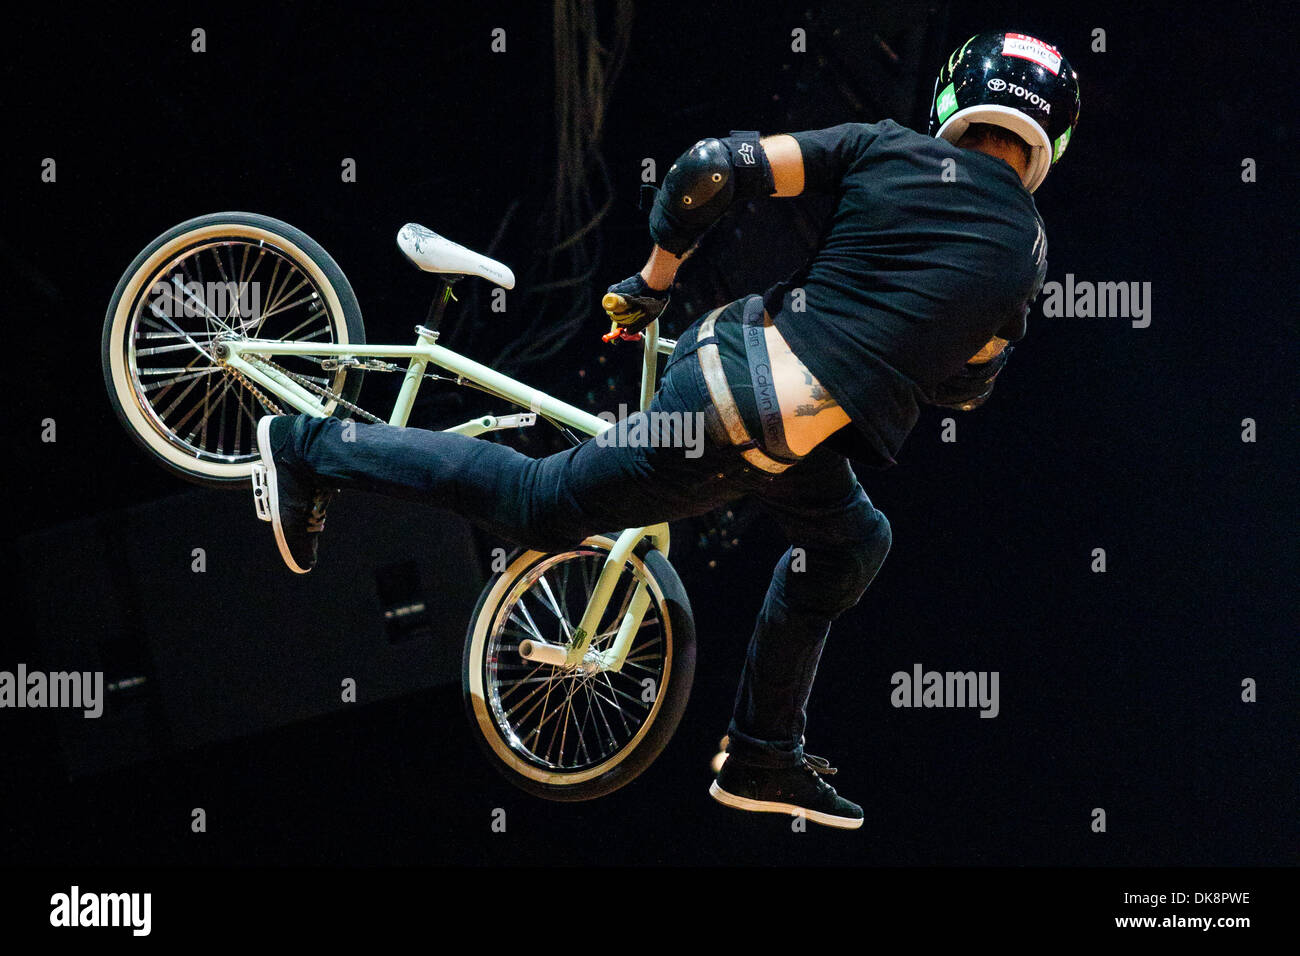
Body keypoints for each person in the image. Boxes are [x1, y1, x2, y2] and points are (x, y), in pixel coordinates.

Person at [251, 31, 1079, 829]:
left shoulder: (882, 145)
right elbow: (969, 384)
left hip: (756, 400)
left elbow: (710, 169)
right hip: (736, 411)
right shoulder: (1026, 253)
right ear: (1055, 138)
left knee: (854, 542)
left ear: (954, 96)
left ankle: (763, 756)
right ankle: (307, 449)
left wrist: (654, 282)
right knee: (538, 502)